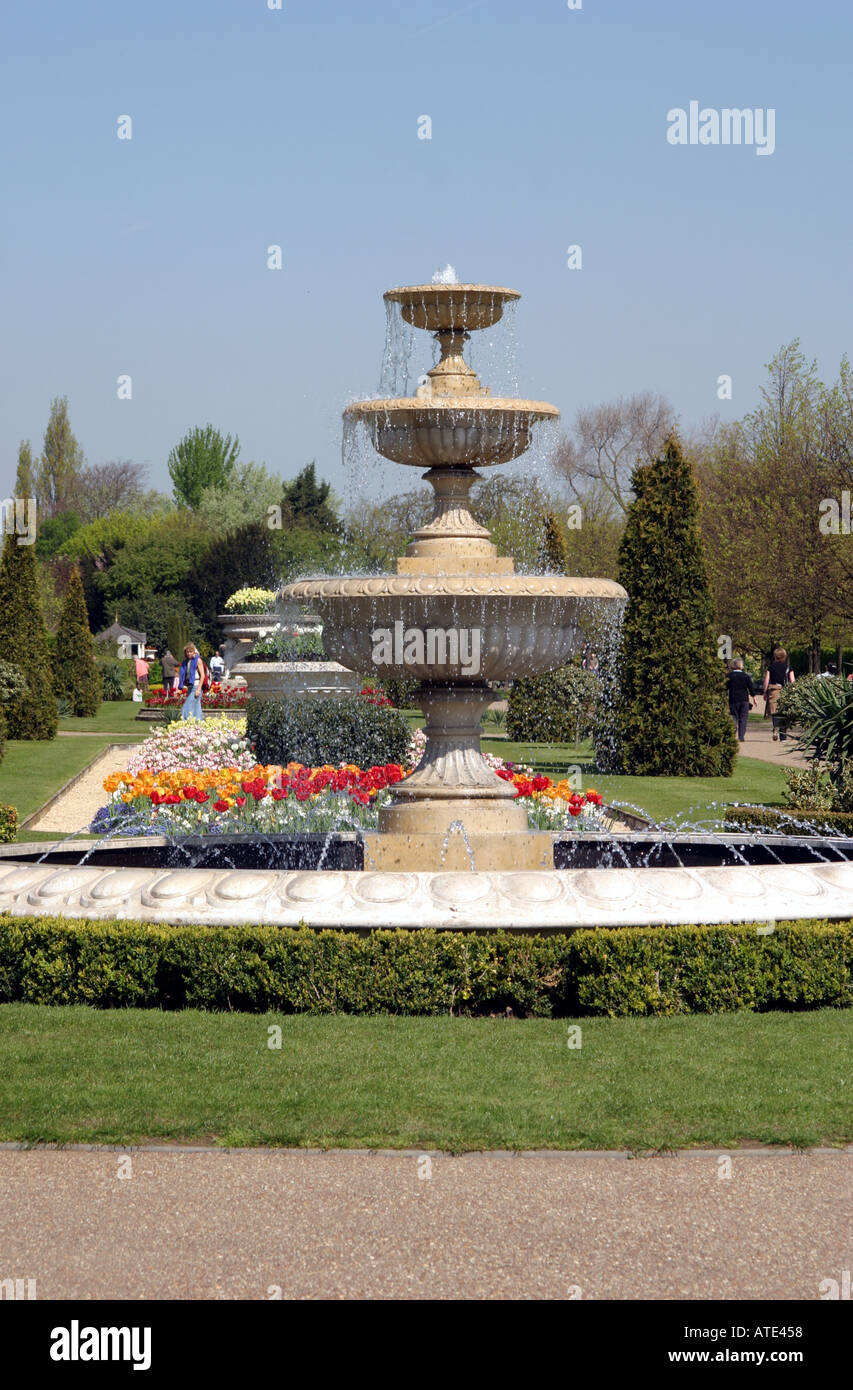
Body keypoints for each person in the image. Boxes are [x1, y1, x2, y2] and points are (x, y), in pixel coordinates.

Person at [762, 645, 795, 741]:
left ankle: (775, 727)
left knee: (775, 711)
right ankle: (783, 736)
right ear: (784, 656)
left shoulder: (771, 667)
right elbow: (792, 680)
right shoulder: (788, 667)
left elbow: (767, 680)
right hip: (785, 690)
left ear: (775, 656)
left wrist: (765, 692)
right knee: (784, 712)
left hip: (774, 690)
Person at [726, 658, 756, 743]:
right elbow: (751, 688)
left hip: (733, 699)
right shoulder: (746, 676)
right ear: (741, 666)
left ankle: (733, 731)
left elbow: (725, 687)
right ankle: (741, 736)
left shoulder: (729, 676)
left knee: (733, 716)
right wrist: (754, 697)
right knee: (743, 718)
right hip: (744, 700)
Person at [178, 643, 206, 721]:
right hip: (190, 686)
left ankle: (184, 721)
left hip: (196, 686)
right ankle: (198, 722)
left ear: (194, 652)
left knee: (186, 706)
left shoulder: (198, 660)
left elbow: (202, 676)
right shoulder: (186, 662)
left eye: (191, 651)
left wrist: (198, 689)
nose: (189, 653)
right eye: (187, 652)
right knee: (197, 706)